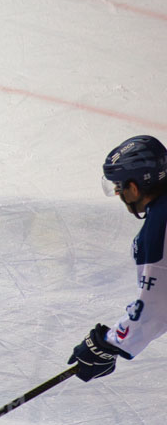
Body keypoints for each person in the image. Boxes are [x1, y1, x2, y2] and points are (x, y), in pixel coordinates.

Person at [67, 135, 167, 381]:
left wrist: (106, 344)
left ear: (133, 188)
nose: (117, 192)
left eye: (119, 186)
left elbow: (154, 311)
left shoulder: (158, 230)